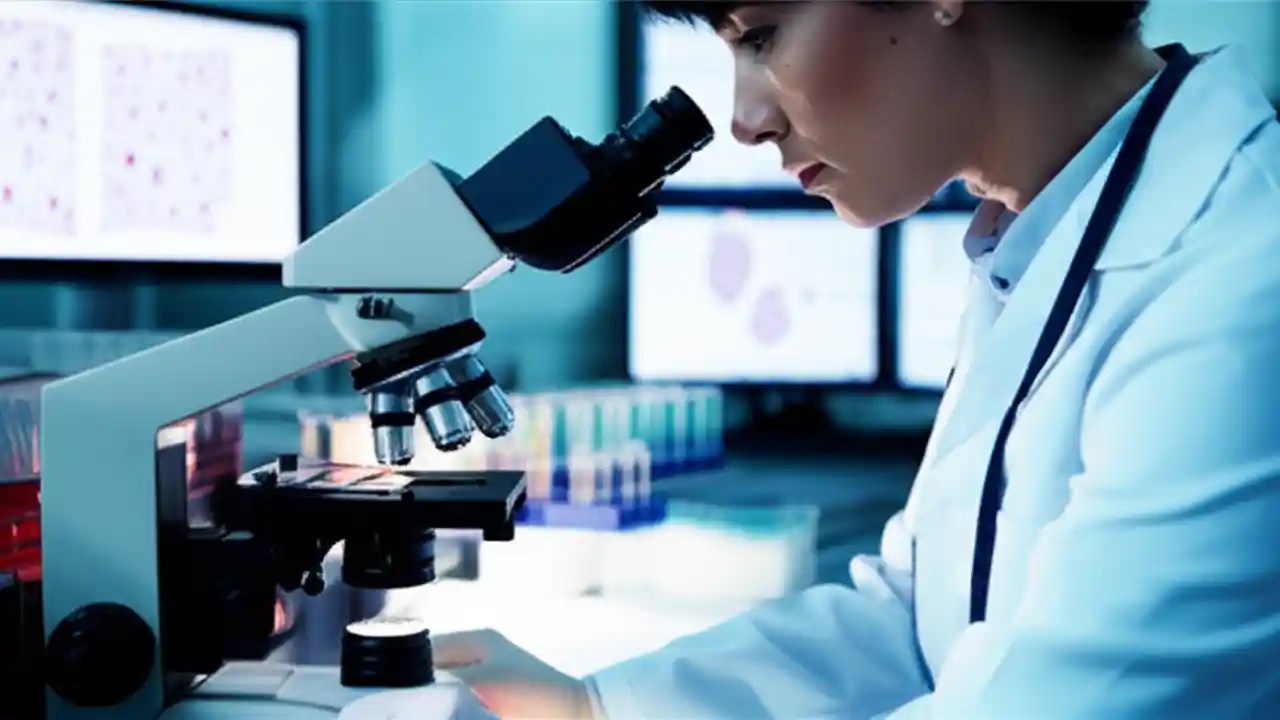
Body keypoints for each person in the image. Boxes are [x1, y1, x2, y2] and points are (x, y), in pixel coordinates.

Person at [436, 1, 1280, 717]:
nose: (745, 121)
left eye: (762, 37)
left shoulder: (1241, 279)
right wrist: (593, 708)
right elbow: (922, 624)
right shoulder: (1045, 234)